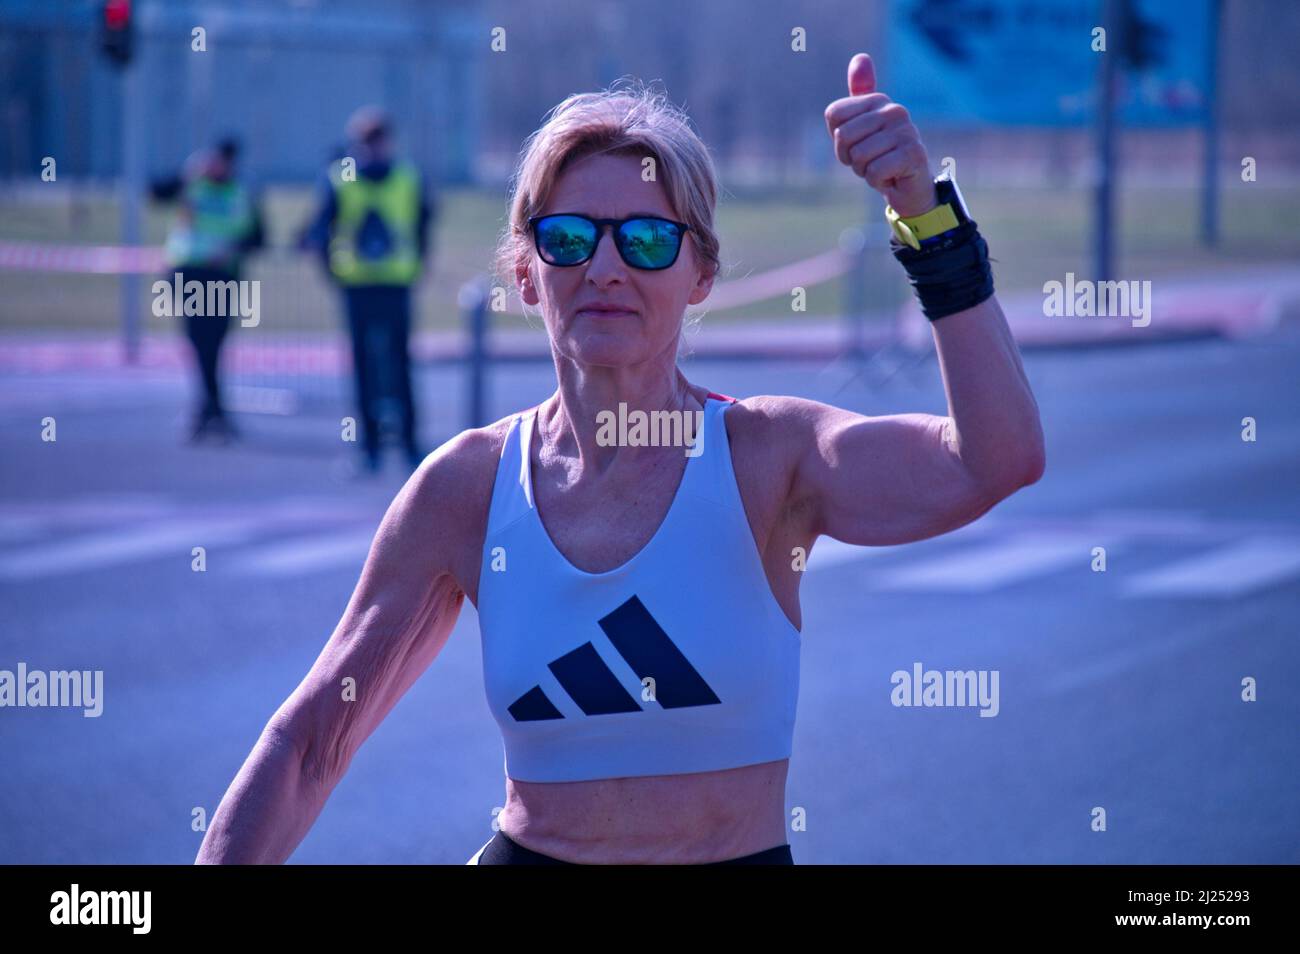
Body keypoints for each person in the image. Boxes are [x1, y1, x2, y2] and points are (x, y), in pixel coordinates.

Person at [195, 56, 1045, 865]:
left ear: (700, 272)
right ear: (528, 275)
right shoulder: (466, 488)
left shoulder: (767, 459)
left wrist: (925, 218)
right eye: (567, 238)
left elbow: (996, 459)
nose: (603, 267)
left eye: (644, 239)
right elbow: (309, 745)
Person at [303, 107, 434, 475]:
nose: (374, 148)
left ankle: (409, 444)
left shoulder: (409, 177)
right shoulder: (339, 179)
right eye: (366, 141)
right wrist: (333, 273)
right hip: (357, 285)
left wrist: (419, 264)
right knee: (362, 366)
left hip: (395, 283)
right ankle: (368, 447)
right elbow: (322, 228)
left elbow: (423, 223)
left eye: (378, 140)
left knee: (400, 363)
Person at [155, 136, 264, 443]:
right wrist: (185, 174)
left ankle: (209, 409)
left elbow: (258, 237)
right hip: (189, 272)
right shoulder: (193, 184)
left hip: (222, 276)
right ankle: (211, 409)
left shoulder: (242, 192)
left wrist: (234, 248)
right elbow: (155, 193)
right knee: (199, 342)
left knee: (214, 343)